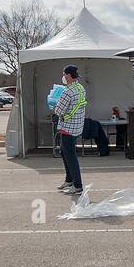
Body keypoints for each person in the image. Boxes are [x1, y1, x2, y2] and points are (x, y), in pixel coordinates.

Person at [53, 64, 87, 195]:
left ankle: (77, 185)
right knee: (63, 151)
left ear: (68, 75)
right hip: (77, 125)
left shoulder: (67, 92)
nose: (63, 77)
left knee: (70, 155)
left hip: (67, 127)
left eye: (64, 74)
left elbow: (59, 110)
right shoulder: (80, 88)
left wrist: (54, 102)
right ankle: (69, 179)